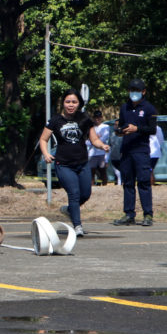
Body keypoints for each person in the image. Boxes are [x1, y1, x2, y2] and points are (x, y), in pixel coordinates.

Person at [39, 88, 109, 237]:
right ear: (63, 103)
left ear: (79, 104)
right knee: (74, 193)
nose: (71, 105)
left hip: (82, 163)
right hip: (63, 164)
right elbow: (43, 139)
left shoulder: (84, 119)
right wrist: (46, 154)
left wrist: (102, 145)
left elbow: (94, 139)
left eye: (74, 102)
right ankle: (77, 226)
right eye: (68, 101)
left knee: (86, 193)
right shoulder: (55, 120)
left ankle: (70, 210)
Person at [113, 78, 158, 227]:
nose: (134, 93)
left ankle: (148, 214)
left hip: (141, 151)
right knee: (128, 183)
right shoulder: (124, 107)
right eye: (132, 90)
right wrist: (119, 131)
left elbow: (152, 129)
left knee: (144, 182)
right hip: (126, 150)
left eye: (137, 90)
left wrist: (137, 129)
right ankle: (129, 214)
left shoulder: (149, 108)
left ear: (143, 92)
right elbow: (120, 124)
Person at [86, 110, 110, 186]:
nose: (97, 119)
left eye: (99, 118)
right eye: (95, 118)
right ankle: (91, 186)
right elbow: (87, 142)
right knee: (91, 170)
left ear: (101, 118)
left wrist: (94, 139)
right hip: (92, 153)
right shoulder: (91, 127)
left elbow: (104, 138)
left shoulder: (105, 127)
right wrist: (95, 139)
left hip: (102, 152)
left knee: (102, 170)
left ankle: (105, 185)